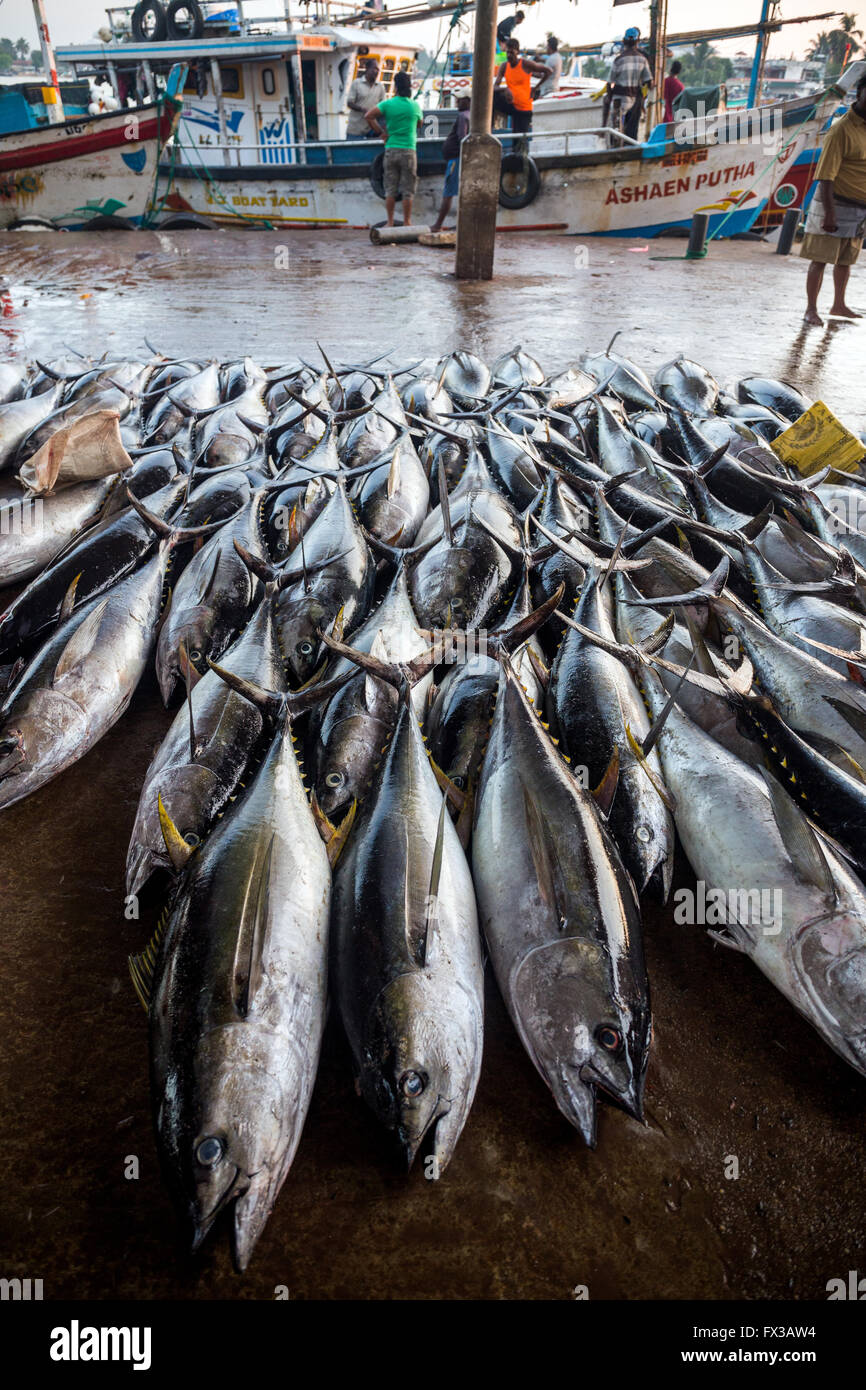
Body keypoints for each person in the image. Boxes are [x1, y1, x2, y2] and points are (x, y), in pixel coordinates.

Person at [802, 72, 866, 325]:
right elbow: (825, 175)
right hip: (833, 202)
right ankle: (810, 309)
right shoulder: (841, 128)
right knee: (820, 258)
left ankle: (839, 304)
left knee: (845, 259)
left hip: (858, 207)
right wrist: (829, 213)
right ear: (860, 93)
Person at [366, 69, 424, 227]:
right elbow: (419, 124)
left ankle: (390, 222)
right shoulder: (415, 106)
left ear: (396, 87)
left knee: (390, 189)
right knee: (408, 189)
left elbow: (369, 116)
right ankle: (407, 222)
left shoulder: (388, 104)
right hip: (408, 150)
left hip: (391, 149)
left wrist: (381, 133)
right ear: (409, 87)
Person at [494, 39, 552, 135]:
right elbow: (495, 87)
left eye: (511, 53)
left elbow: (548, 71)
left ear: (517, 52)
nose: (509, 55)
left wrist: (535, 88)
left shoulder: (525, 64)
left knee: (520, 139)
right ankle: (490, 128)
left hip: (524, 108)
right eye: (507, 52)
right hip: (512, 105)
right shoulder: (504, 66)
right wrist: (505, 89)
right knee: (493, 96)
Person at [430, 95, 470, 233]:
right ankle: (462, 224)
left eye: (461, 99)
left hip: (455, 158)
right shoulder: (470, 116)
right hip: (461, 158)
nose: (458, 101)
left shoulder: (462, 116)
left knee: (448, 192)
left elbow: (462, 137)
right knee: (461, 192)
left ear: (469, 101)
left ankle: (437, 225)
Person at [606, 27, 653, 142]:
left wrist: (610, 98)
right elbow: (649, 82)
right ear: (637, 42)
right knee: (631, 133)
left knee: (616, 132)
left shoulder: (618, 60)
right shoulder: (642, 59)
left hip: (619, 99)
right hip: (635, 99)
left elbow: (609, 83)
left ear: (624, 41)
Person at [345, 58, 385, 139]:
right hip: (355, 130)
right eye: (374, 68)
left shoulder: (380, 86)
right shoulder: (356, 83)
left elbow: (383, 106)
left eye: (377, 69)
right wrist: (362, 109)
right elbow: (349, 103)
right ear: (367, 69)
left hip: (372, 129)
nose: (376, 71)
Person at [663, 59, 684, 124]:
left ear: (671, 68)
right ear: (679, 71)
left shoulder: (663, 82)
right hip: (673, 119)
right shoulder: (680, 86)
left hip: (661, 116)